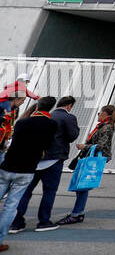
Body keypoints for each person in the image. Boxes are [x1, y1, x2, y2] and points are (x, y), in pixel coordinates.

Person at [10, 94, 79, 233]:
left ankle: (16, 222)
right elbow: (72, 136)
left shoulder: (34, 119)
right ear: (69, 106)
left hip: (33, 160)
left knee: (26, 191)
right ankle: (43, 221)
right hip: (53, 159)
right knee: (49, 191)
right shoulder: (66, 118)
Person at [0, 97, 56, 252]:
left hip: (8, 166)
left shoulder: (22, 122)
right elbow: (48, 145)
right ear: (51, 108)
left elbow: (12, 140)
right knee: (10, 207)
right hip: (27, 169)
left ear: (37, 106)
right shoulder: (51, 124)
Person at [56, 105, 115, 225]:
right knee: (83, 185)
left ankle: (76, 214)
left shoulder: (107, 128)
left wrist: (84, 146)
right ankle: (78, 213)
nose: (98, 115)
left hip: (92, 159)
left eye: (99, 112)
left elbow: (101, 146)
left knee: (83, 186)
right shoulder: (102, 126)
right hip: (90, 157)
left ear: (106, 115)